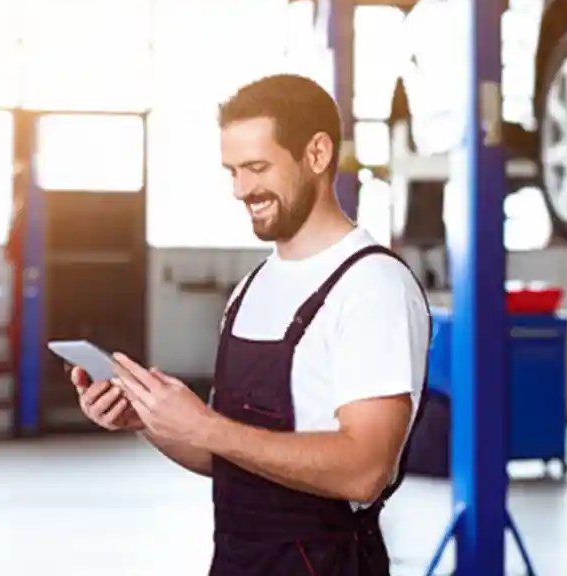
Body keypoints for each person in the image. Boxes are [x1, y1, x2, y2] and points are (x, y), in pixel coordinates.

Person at [71, 73, 431, 575]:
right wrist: (149, 422)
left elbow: (366, 469)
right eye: (233, 170)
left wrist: (206, 425)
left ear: (318, 154)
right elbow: (232, 459)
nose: (242, 189)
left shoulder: (372, 286)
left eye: (257, 167)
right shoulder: (251, 289)